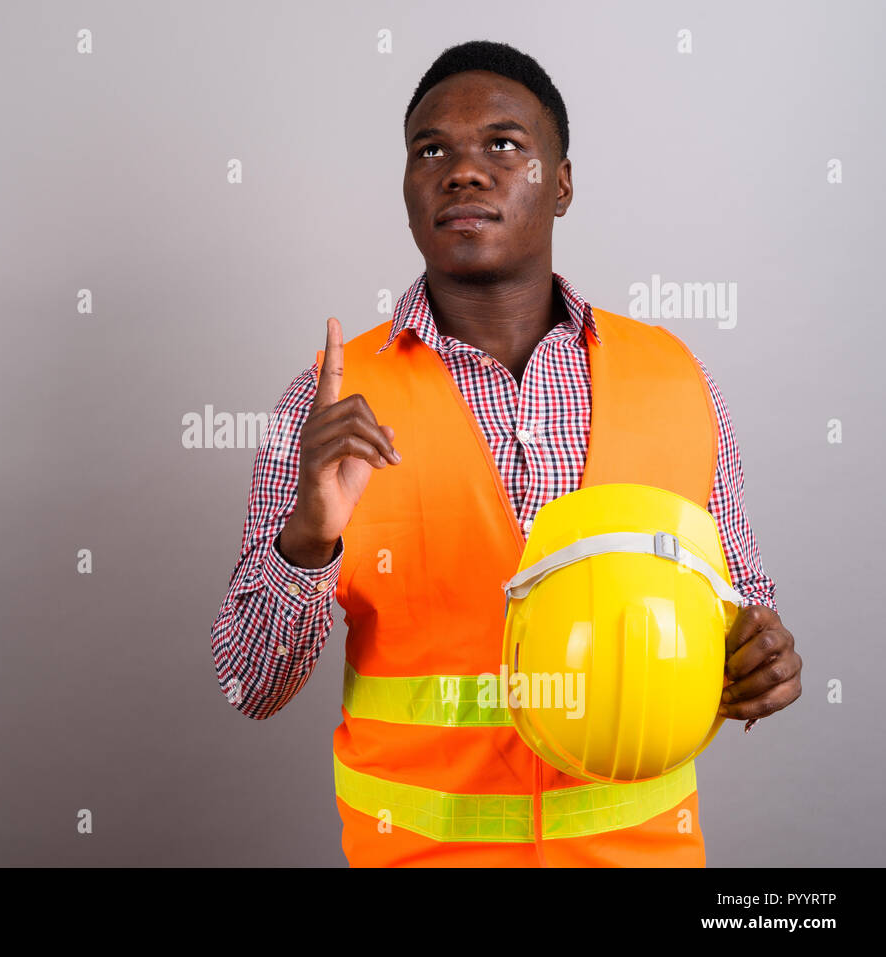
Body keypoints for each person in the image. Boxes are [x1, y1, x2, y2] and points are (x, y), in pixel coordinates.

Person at [210, 40, 802, 867]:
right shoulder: (329, 410)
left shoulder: (674, 377)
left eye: (502, 144)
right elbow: (250, 684)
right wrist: (307, 540)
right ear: (410, 190)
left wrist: (762, 658)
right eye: (431, 151)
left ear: (560, 184)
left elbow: (744, 611)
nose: (463, 170)